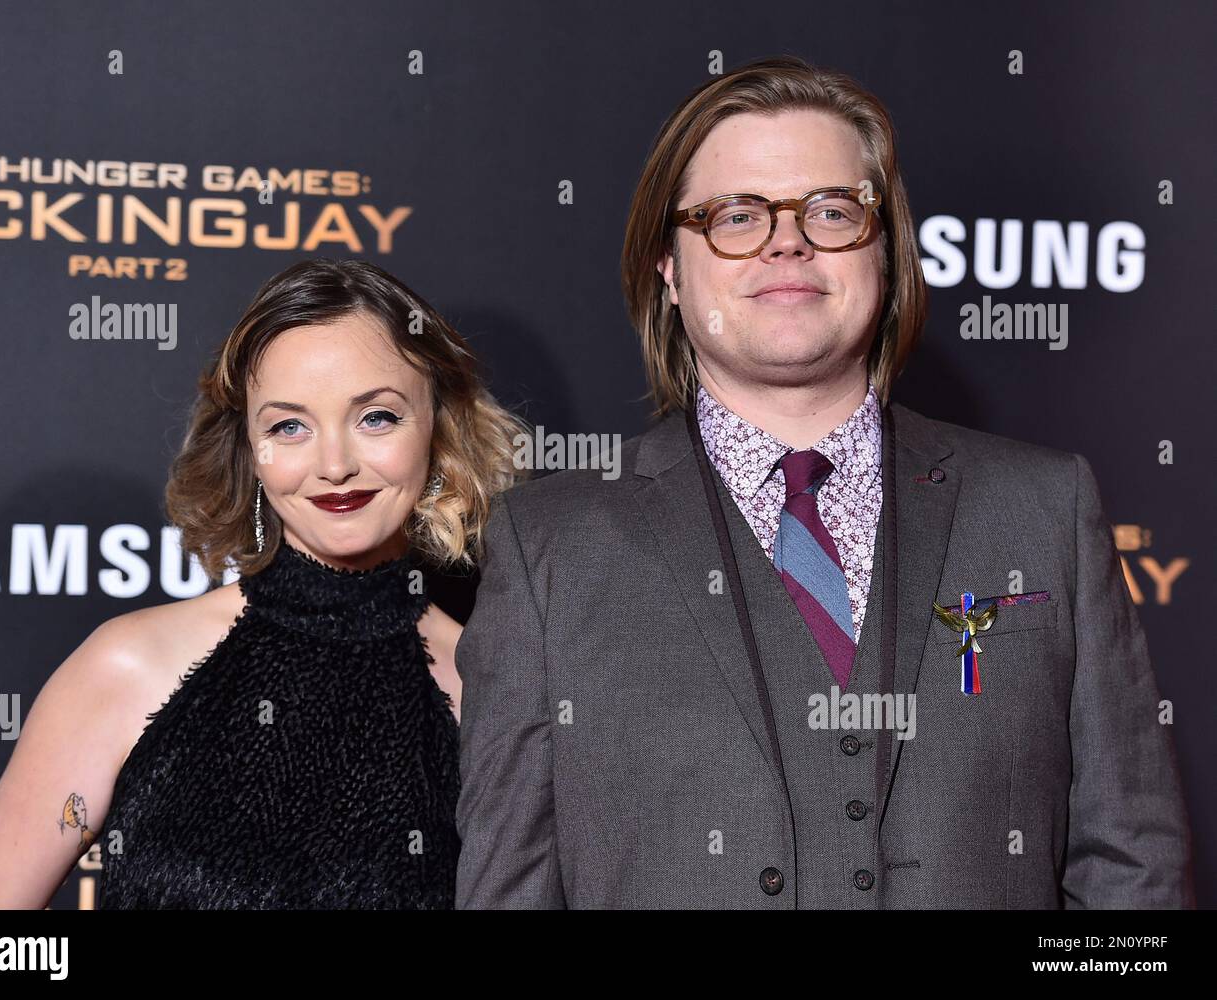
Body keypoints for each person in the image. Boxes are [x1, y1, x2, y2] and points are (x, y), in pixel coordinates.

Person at [453, 56, 1195, 908]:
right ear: (669, 268)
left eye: (832, 211)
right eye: (736, 216)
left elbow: (1132, 872)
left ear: (887, 252)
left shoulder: (1045, 509)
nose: (787, 241)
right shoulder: (547, 543)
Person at [0, 258, 527, 909]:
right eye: (289, 426)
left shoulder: (487, 693)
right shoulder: (129, 666)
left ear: (438, 428)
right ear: (249, 449)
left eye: (377, 417)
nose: (335, 464)